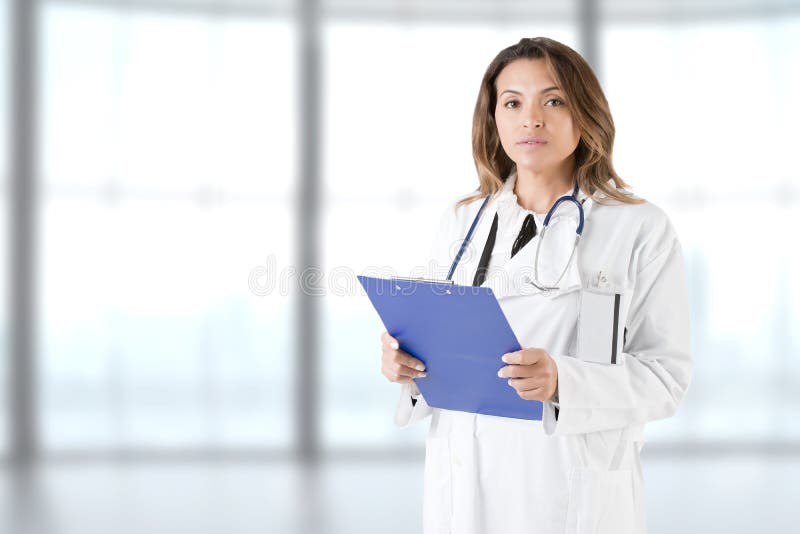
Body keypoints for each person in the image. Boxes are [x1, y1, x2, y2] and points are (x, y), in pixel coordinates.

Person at [378, 37, 692, 534]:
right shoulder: (461, 222)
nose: (532, 119)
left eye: (553, 100)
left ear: (583, 112)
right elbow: (440, 348)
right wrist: (408, 366)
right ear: (494, 119)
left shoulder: (638, 228)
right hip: (463, 487)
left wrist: (563, 382)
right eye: (512, 103)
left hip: (568, 492)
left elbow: (666, 379)